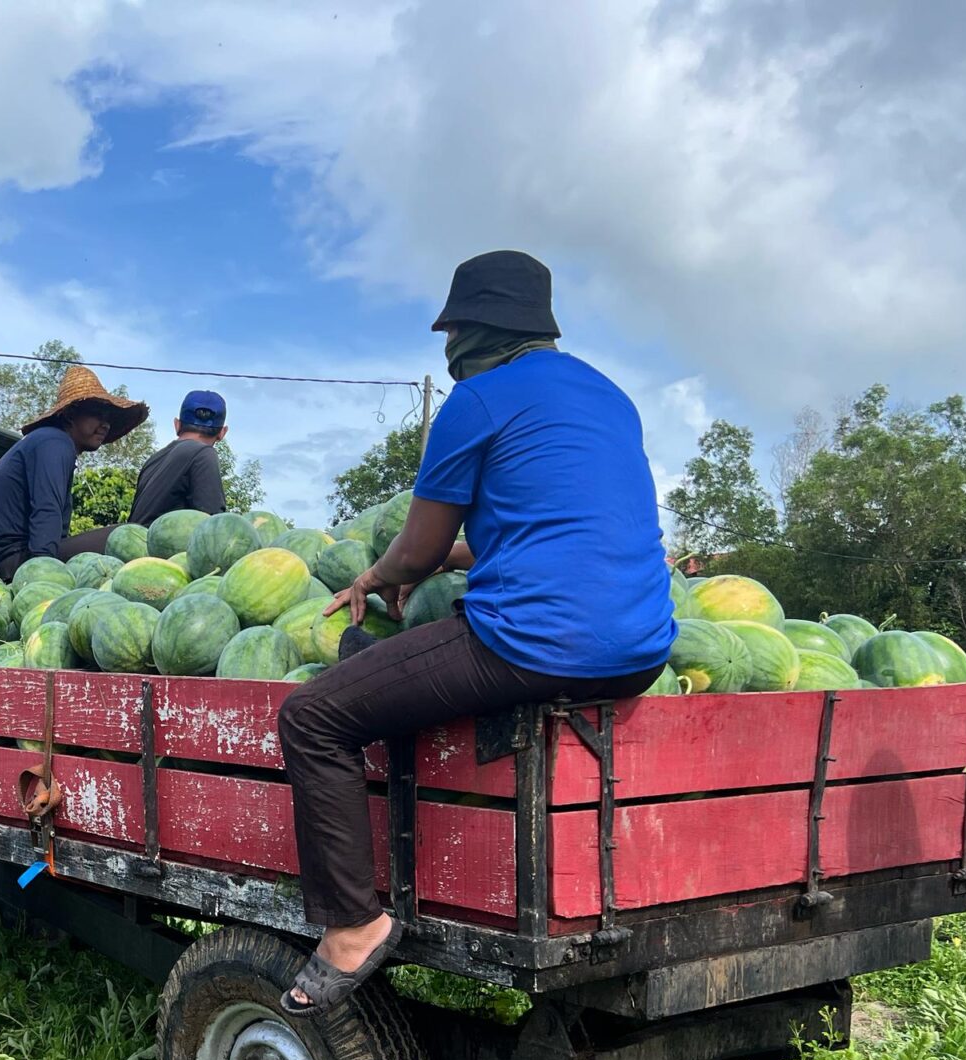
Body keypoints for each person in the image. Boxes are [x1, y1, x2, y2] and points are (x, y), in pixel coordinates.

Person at [275, 250, 673, 1013]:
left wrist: (381, 575)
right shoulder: (609, 396)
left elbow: (417, 549)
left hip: (533, 644)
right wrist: (434, 566)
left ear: (472, 327)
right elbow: (544, 528)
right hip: (640, 649)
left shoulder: (479, 400)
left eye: (451, 328)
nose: (448, 345)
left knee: (314, 715)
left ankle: (354, 924)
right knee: (383, 664)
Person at [0, 365, 149, 578]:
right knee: (125, 535)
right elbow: (46, 509)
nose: (105, 424)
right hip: (15, 562)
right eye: (96, 413)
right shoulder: (55, 442)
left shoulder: (48, 441)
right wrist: (42, 576)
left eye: (108, 417)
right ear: (69, 415)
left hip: (9, 559)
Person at [128, 390, 229, 525]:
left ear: (177, 424)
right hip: (159, 545)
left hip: (135, 540)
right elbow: (212, 525)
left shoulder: (153, 460)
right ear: (222, 432)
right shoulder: (204, 454)